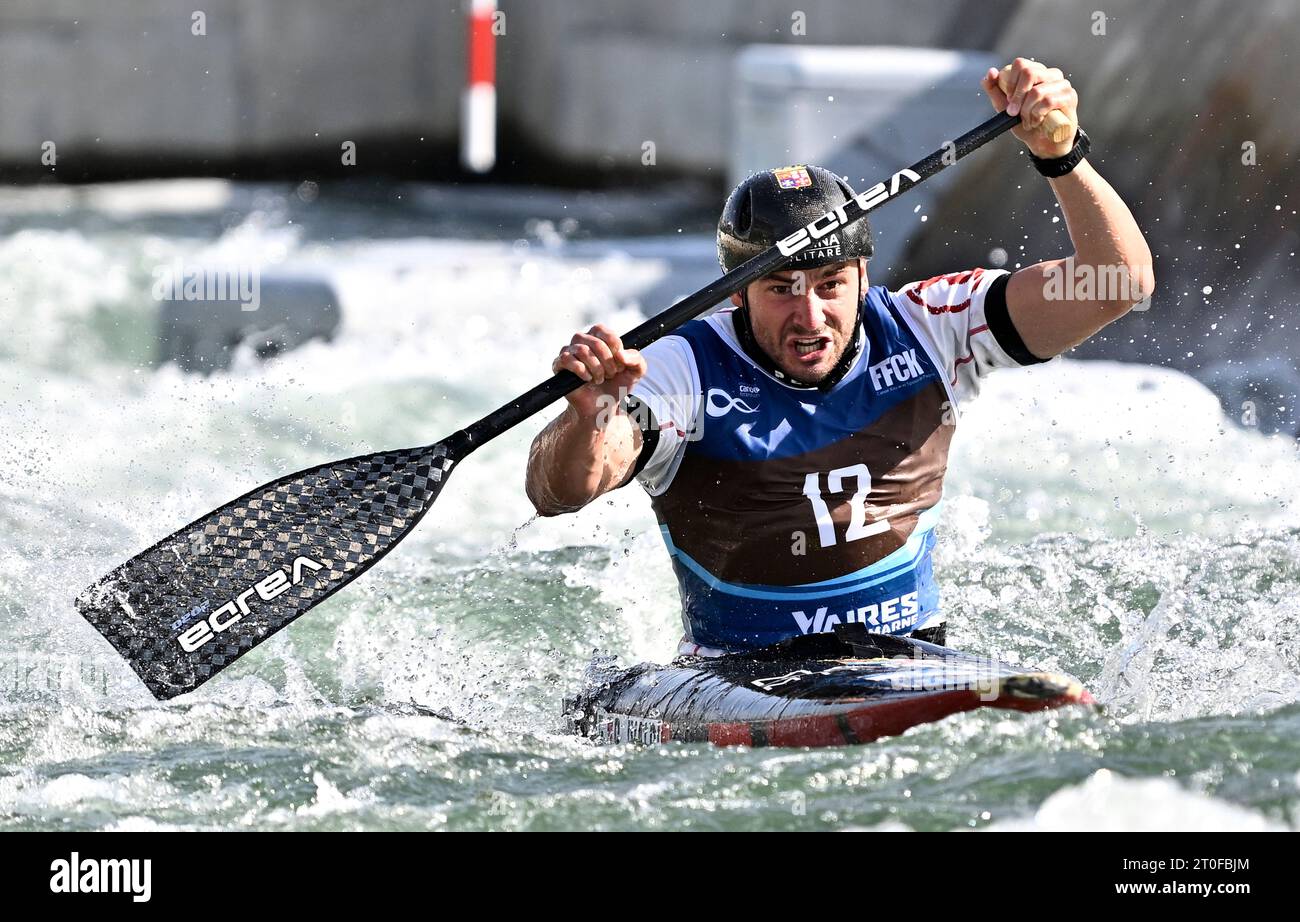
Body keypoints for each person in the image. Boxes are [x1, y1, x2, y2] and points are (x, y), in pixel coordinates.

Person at [526, 59, 1154, 656]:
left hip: (912, 660)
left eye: (830, 284)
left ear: (863, 273)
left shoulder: (934, 325)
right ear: (738, 291)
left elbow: (1120, 285)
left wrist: (1061, 157)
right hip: (741, 673)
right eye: (780, 289)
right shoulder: (679, 367)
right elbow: (559, 493)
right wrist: (590, 416)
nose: (810, 316)